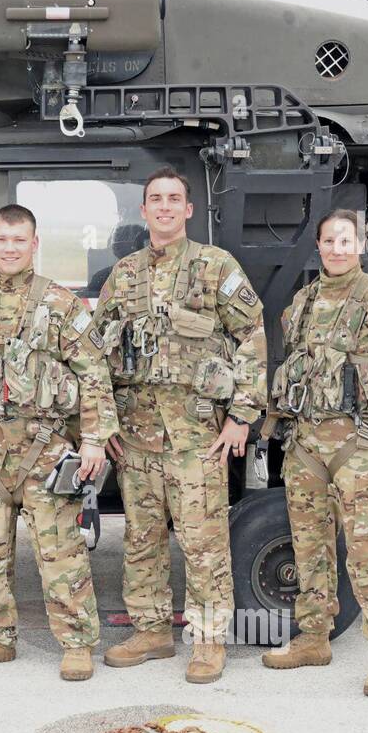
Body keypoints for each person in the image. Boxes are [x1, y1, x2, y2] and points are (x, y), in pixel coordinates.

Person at [89, 167, 267, 683]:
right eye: (155, 200)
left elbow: (252, 336)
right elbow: (95, 354)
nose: (164, 207)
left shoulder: (216, 267)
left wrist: (241, 416)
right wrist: (104, 424)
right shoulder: (123, 276)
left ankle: (209, 640)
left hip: (197, 438)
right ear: (143, 212)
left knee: (203, 540)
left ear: (189, 210)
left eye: (174, 199)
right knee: (141, 539)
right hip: (138, 437)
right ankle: (151, 631)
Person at [0, 204, 119, 680]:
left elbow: (94, 372)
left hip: (45, 451)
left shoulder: (60, 306)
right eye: (2, 239)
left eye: (20, 240)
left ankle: (77, 644)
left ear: (34, 245)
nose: (11, 248)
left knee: (60, 554)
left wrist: (96, 440)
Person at [261, 208, 368, 697]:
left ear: (360, 245)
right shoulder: (302, 304)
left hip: (360, 449)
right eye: (329, 241)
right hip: (307, 447)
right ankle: (313, 637)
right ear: (319, 247)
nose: (337, 249)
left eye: (346, 240)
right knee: (309, 547)